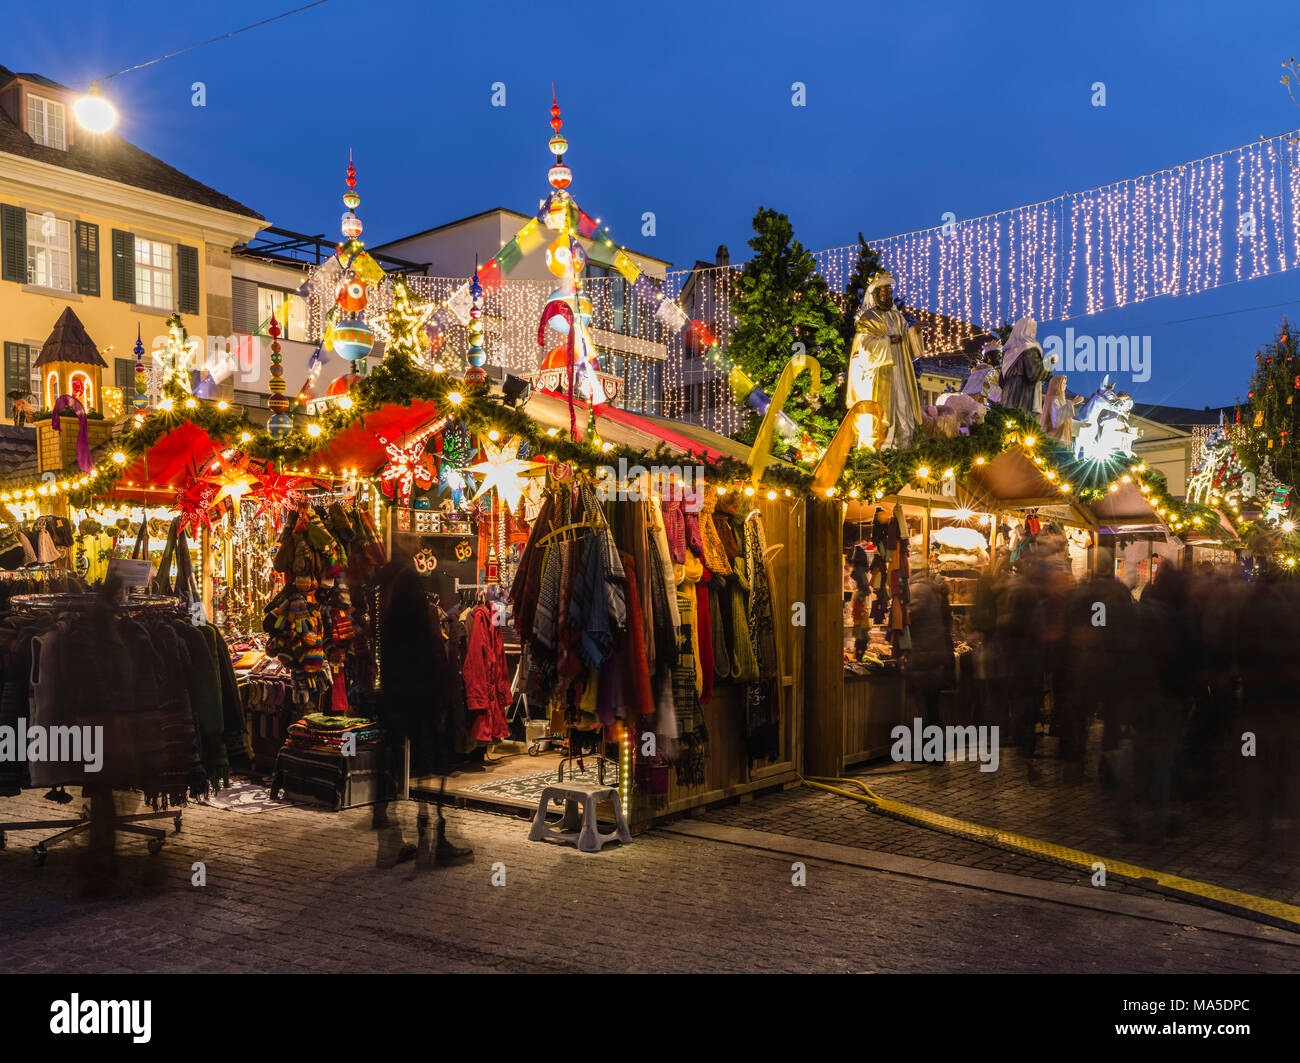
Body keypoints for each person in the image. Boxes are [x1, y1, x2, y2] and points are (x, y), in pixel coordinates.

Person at [847, 270, 925, 448]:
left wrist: (915, 332)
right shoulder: (868, 318)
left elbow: (907, 340)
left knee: (903, 407)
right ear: (876, 295)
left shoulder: (897, 316)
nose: (889, 296)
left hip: (901, 370)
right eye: (885, 292)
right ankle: (883, 448)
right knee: (884, 412)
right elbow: (864, 345)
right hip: (881, 373)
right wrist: (887, 341)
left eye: (890, 292)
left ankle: (904, 446)